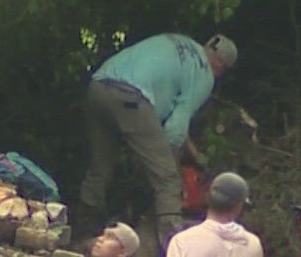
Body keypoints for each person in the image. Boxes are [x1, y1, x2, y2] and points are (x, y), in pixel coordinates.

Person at [76, 32, 237, 244]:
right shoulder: (204, 73)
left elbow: (168, 116)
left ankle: (83, 236)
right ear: (221, 66)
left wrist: (196, 155)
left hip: (98, 87)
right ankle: (172, 252)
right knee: (168, 181)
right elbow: (175, 129)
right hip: (131, 98)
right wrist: (169, 164)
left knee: (101, 167)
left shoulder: (181, 42)